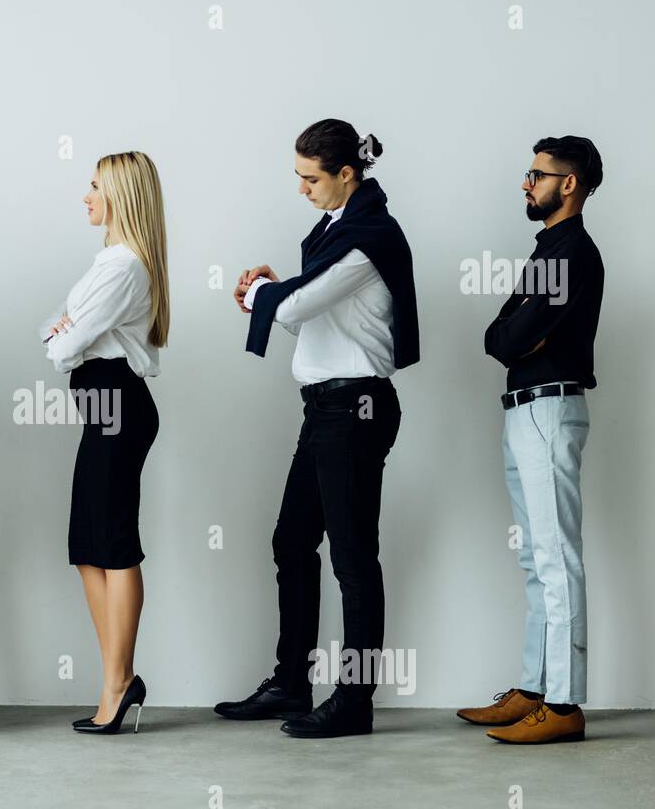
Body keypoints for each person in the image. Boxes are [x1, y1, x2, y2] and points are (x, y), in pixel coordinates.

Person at [217, 119, 419, 738]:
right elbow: (301, 319)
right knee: (291, 541)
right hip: (327, 409)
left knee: (354, 558)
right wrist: (271, 295)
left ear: (346, 175)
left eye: (311, 178)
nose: (302, 189)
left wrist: (262, 292)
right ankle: (291, 682)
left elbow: (298, 305)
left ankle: (355, 702)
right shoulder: (334, 232)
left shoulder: (367, 237)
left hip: (355, 409)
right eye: (298, 177)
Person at [459, 136, 605, 745]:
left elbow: (512, 338)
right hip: (525, 411)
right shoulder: (549, 250)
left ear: (567, 184)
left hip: (549, 409)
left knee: (555, 554)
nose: (527, 183)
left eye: (537, 175)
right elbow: (501, 337)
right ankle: (534, 688)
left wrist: (521, 329)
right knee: (533, 556)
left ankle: (565, 705)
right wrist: (519, 328)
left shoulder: (570, 254)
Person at [39, 151, 168, 735]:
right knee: (87, 546)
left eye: (95, 186)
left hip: (117, 406)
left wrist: (67, 331)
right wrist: (64, 328)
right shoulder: (108, 264)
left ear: (120, 195)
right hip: (102, 409)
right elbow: (52, 326)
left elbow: (62, 345)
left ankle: (117, 684)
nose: (85, 196)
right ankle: (117, 677)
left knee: (113, 543)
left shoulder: (123, 269)